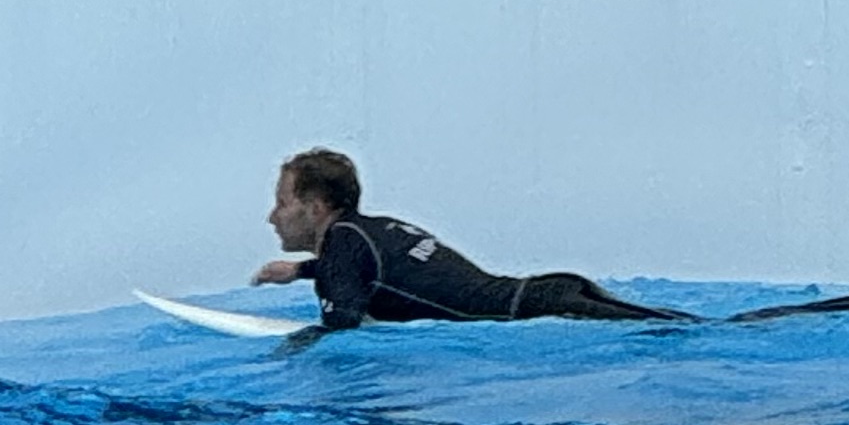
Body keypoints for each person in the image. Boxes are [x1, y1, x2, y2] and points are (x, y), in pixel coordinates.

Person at [254, 149, 685, 329]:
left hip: (536, 314)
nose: (273, 217)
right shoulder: (371, 231)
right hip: (550, 294)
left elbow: (343, 330)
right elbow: (385, 274)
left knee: (676, 332)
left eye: (282, 202)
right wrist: (299, 271)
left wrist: (289, 352)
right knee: (684, 326)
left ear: (315, 208)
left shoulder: (343, 247)